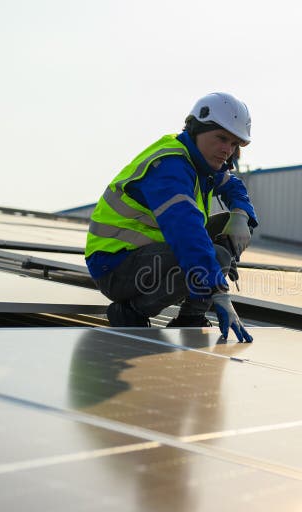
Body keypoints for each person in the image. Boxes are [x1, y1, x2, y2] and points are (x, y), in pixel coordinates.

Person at [85, 92, 257, 342]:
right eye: (221, 138)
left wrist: (241, 215)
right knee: (212, 255)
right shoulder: (170, 166)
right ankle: (131, 312)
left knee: (223, 233)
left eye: (233, 144)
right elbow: (187, 234)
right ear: (197, 129)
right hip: (114, 265)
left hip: (142, 257)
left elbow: (233, 186)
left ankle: (190, 319)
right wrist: (219, 292)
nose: (226, 150)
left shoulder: (201, 163)